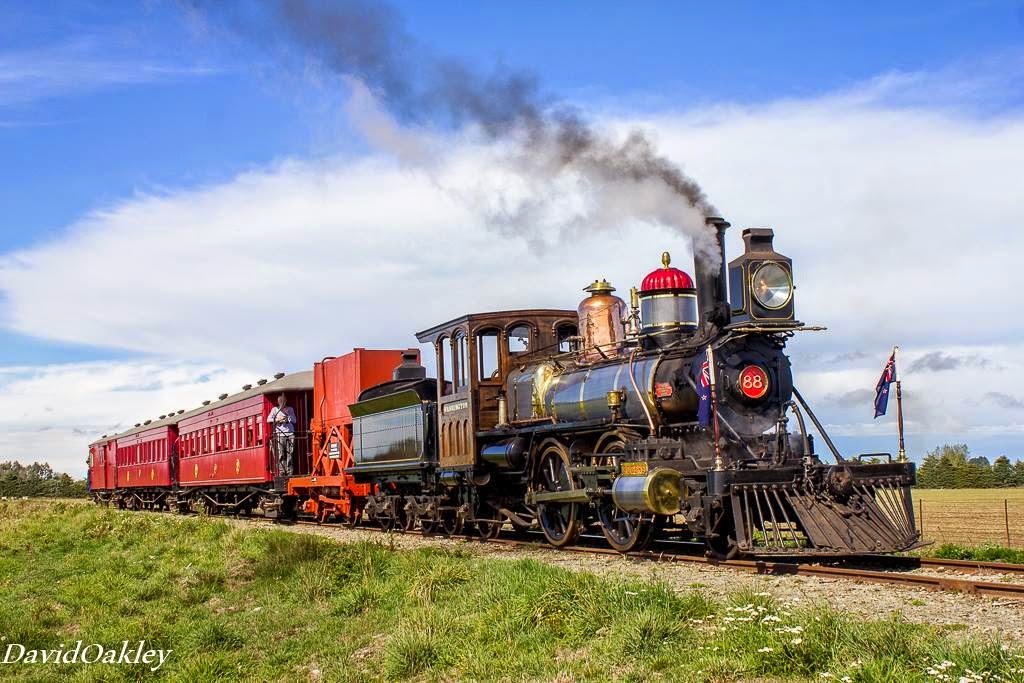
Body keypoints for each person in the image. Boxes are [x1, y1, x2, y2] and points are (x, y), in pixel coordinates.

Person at [267, 394, 296, 476]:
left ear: (286, 401)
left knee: (290, 452)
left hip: (290, 433)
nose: (282, 403)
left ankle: (289, 471)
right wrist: (277, 419)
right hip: (280, 434)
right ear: (278, 402)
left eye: (284, 401)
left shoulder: (290, 409)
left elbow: (294, 420)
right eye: (281, 401)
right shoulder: (275, 410)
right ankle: (282, 471)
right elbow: (268, 419)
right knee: (281, 453)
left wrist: (288, 417)